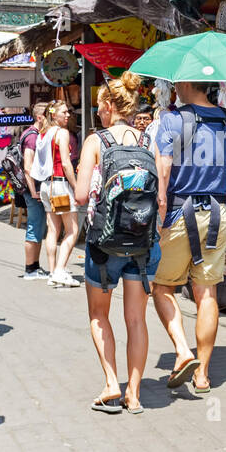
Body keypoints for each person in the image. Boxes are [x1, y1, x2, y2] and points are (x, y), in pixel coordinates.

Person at [74, 72, 159, 415]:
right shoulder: (145, 142)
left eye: (99, 108)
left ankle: (112, 382)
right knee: (136, 320)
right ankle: (134, 394)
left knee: (98, 314)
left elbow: (81, 196)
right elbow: (160, 198)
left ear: (109, 107)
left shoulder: (97, 142)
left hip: (103, 244)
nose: (98, 114)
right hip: (142, 243)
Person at [152, 83, 226, 396]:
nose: (174, 87)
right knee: (207, 293)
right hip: (216, 213)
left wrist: (160, 200)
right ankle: (202, 375)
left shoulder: (172, 119)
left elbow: (162, 165)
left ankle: (182, 349)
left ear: (187, 84)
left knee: (162, 286)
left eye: (177, 82)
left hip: (178, 211)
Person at [38, 100, 81, 288]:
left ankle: (53, 270)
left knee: (53, 230)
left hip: (47, 186)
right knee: (72, 230)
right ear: (54, 114)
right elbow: (65, 163)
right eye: (64, 112)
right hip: (60, 186)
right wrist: (77, 186)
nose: (68, 115)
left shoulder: (44, 133)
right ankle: (61, 270)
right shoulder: (62, 133)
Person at [20, 103, 50, 279]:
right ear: (40, 118)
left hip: (34, 189)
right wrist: (33, 191)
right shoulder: (32, 137)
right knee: (34, 226)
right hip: (33, 189)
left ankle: (35, 266)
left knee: (38, 227)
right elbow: (28, 167)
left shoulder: (34, 134)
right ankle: (30, 268)